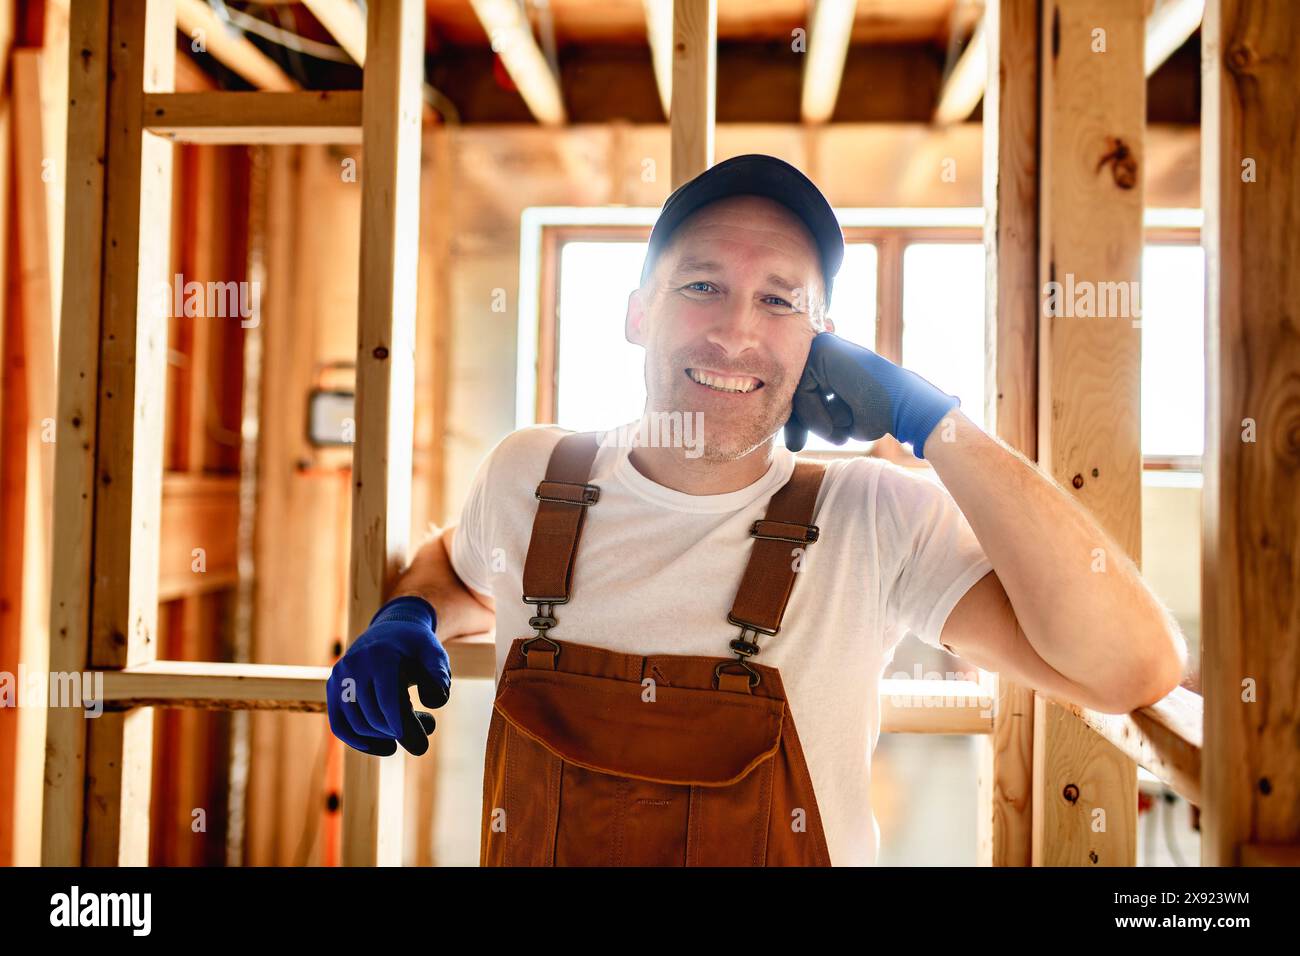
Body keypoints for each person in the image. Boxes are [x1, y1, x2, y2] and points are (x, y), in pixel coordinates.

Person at [326, 154, 1188, 866]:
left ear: (824, 340)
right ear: (637, 313)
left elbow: (1130, 666)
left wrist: (937, 424)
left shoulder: (874, 520)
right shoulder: (531, 476)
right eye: (702, 285)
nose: (737, 332)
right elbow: (461, 568)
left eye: (780, 300)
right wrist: (409, 612)